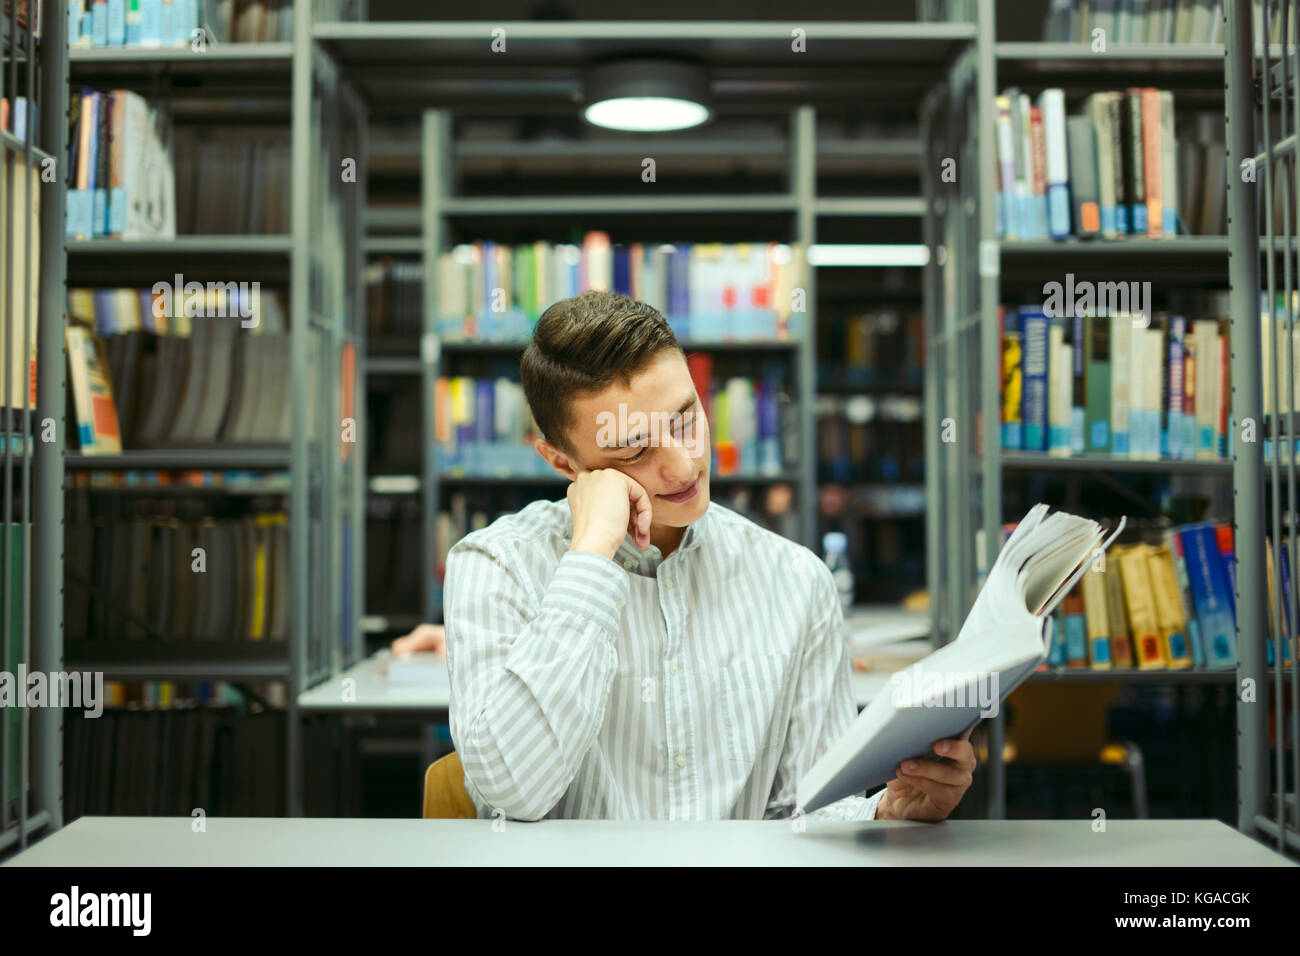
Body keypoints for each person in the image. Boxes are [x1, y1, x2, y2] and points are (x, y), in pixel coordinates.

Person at [443, 290, 975, 822]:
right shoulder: (496, 566)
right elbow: (513, 792)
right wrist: (590, 556)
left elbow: (809, 812)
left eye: (685, 419)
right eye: (633, 450)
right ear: (564, 463)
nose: (683, 466)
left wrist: (886, 813)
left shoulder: (794, 580)